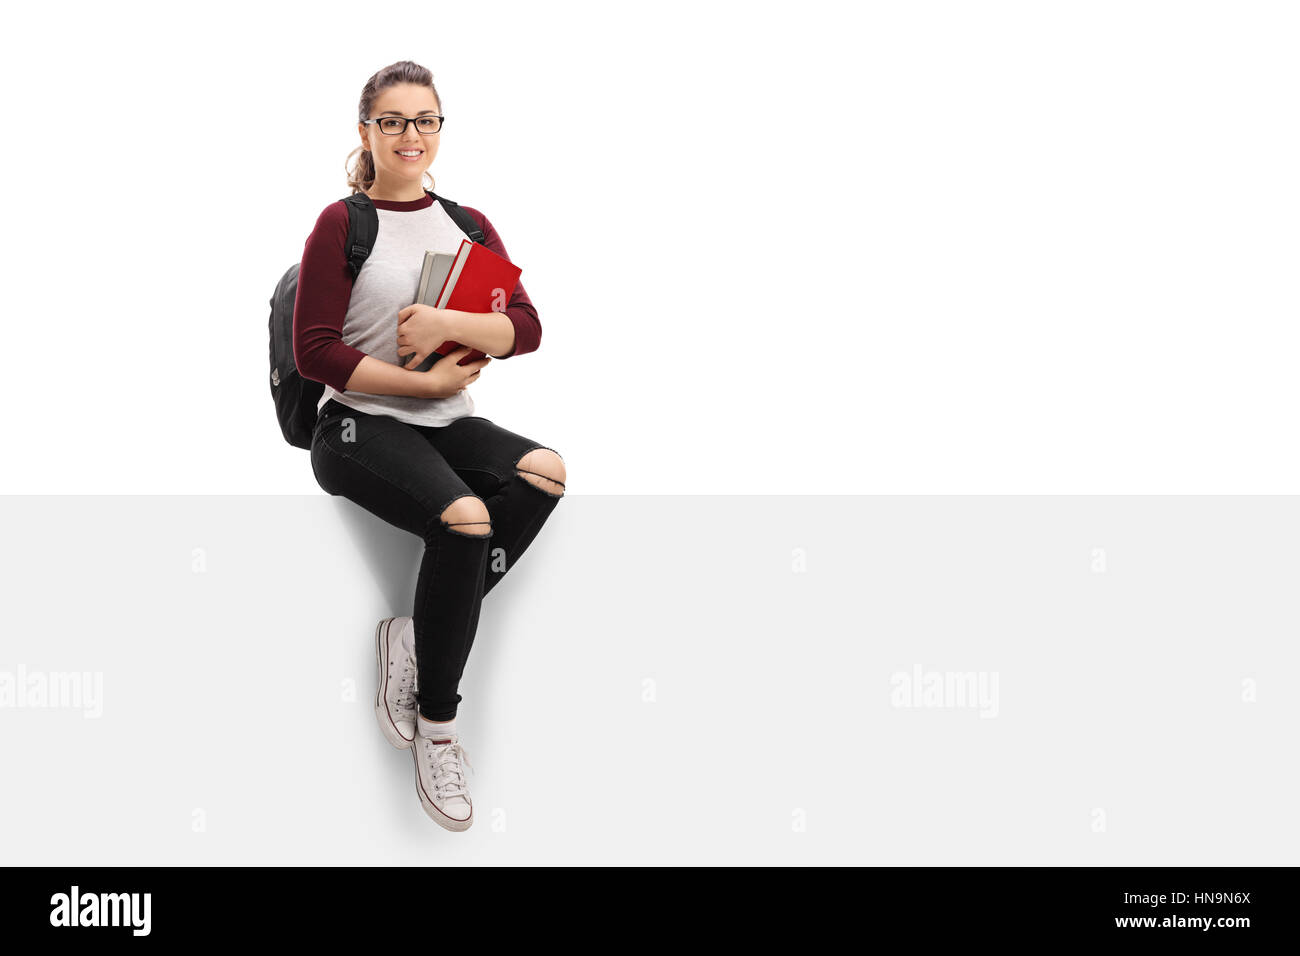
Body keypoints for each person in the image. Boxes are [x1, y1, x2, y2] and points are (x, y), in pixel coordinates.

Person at [293, 61, 566, 832]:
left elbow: (529, 327)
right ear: (365, 132)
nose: (412, 136)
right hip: (355, 424)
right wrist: (419, 386)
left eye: (426, 120)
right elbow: (315, 351)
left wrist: (450, 328)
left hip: (447, 418)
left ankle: (418, 630)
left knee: (545, 472)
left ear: (440, 128)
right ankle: (440, 729)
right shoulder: (342, 224)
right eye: (393, 121)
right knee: (465, 518)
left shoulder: (469, 224)